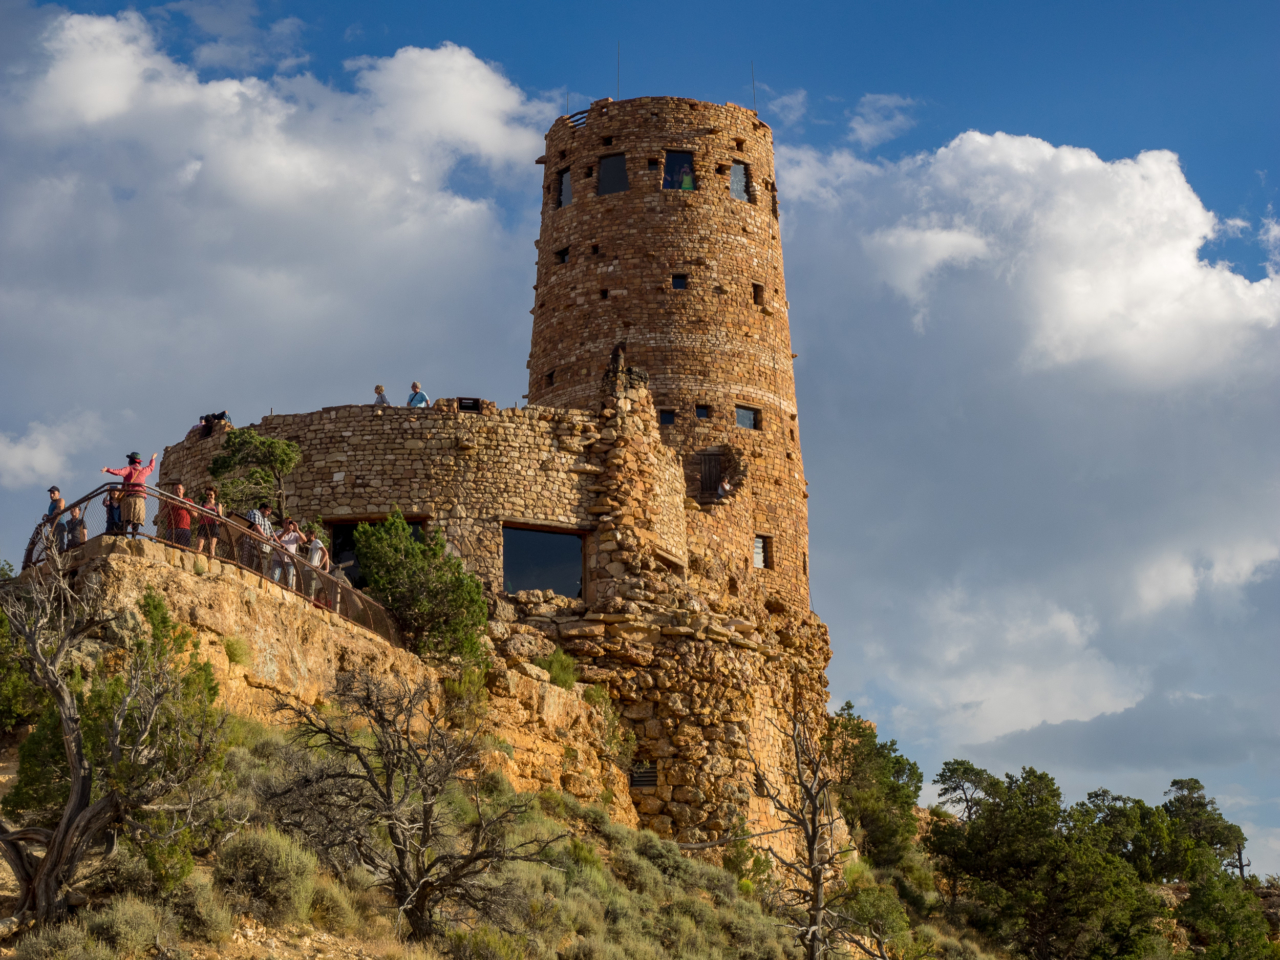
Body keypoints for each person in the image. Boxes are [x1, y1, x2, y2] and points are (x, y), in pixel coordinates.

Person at [101, 452, 157, 538]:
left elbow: (118, 472)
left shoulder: (129, 469)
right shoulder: (144, 470)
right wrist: (152, 459)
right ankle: (134, 537)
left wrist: (108, 469)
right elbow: (151, 467)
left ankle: (123, 536)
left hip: (128, 497)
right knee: (137, 518)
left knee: (126, 517)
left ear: (130, 460)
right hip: (139, 498)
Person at [157, 483, 194, 548]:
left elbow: (195, 515)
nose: (177, 490)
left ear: (183, 490)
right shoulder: (170, 501)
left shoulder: (188, 501)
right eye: (175, 489)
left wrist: (188, 507)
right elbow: (162, 515)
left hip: (184, 529)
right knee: (170, 551)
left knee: (184, 551)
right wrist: (170, 505)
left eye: (179, 489)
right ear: (173, 491)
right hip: (171, 529)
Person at [271, 518, 305, 590]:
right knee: (273, 579)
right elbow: (275, 540)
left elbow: (304, 540)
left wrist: (297, 530)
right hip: (278, 559)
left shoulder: (295, 535)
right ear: (283, 524)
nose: (288, 524)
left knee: (288, 583)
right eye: (286, 523)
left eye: (290, 523)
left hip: (290, 561)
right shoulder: (278, 532)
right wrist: (285, 532)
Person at [242, 502, 275, 572]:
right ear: (263, 508)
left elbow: (272, 534)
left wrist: (276, 542)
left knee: (261, 571)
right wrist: (265, 537)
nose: (269, 513)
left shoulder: (265, 520)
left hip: (261, 548)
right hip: (251, 544)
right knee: (247, 568)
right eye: (268, 511)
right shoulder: (255, 513)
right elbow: (256, 526)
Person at [195, 487, 223, 557]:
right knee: (199, 546)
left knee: (212, 547)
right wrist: (202, 513)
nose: (209, 496)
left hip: (213, 525)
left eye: (211, 495)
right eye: (207, 495)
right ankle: (196, 562)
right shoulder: (202, 503)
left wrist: (216, 516)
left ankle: (211, 563)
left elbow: (219, 520)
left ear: (215, 494)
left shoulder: (218, 505)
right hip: (203, 525)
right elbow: (198, 517)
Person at [303, 528, 330, 602]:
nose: (306, 537)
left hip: (312, 569)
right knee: (306, 591)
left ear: (312, 535)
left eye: (307, 535)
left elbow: (325, 553)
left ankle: (310, 606)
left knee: (310, 591)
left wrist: (322, 566)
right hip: (307, 569)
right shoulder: (312, 545)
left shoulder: (316, 542)